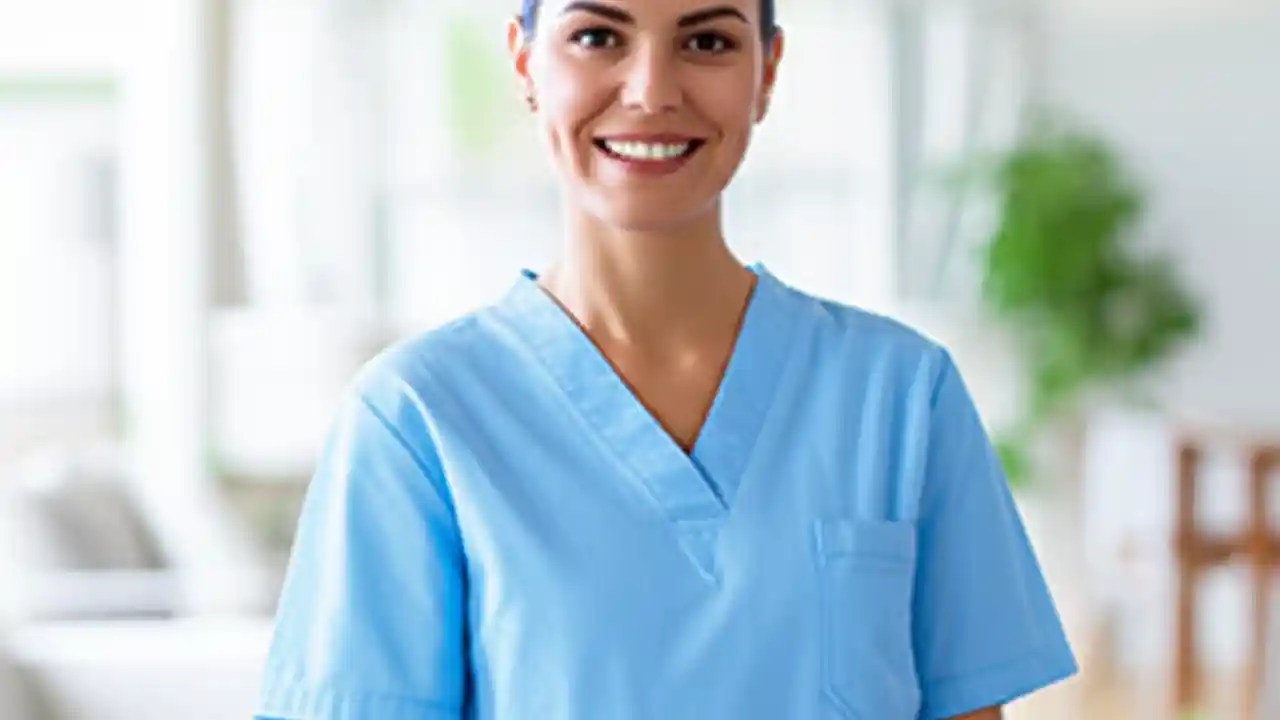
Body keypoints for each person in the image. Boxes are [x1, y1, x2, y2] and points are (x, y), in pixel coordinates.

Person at [253, 1, 1079, 718]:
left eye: (707, 41)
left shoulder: (900, 396)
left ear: (767, 72)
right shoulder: (417, 418)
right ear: (526, 63)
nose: (651, 90)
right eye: (597, 37)